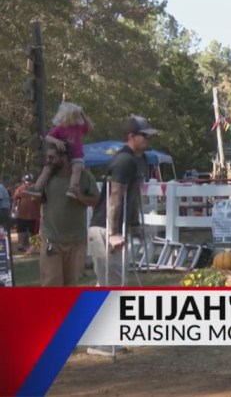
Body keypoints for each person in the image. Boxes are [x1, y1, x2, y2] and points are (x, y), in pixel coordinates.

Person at [87, 115, 156, 286]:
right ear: (131, 137)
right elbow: (115, 196)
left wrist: (134, 224)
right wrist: (112, 233)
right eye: (144, 135)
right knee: (113, 283)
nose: (149, 139)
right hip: (105, 228)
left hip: (115, 227)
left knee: (110, 281)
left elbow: (133, 195)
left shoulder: (140, 160)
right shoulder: (124, 160)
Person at [39, 143, 100, 286]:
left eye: (52, 157)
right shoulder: (47, 176)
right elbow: (39, 198)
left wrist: (80, 197)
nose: (48, 160)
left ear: (64, 157)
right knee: (51, 284)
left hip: (76, 241)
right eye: (47, 156)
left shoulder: (84, 176)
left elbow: (97, 201)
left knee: (71, 285)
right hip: (52, 240)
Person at [25, 102, 93, 199]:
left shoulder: (78, 128)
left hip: (76, 156)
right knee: (47, 169)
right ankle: (37, 188)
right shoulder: (60, 128)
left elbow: (89, 127)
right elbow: (47, 137)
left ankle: (73, 188)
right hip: (62, 157)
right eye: (75, 116)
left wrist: (83, 113)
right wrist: (56, 141)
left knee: (77, 168)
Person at [13, 174, 41, 254]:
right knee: (21, 230)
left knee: (35, 232)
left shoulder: (36, 188)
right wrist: (13, 209)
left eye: (30, 181)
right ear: (24, 181)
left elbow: (42, 199)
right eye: (26, 181)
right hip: (22, 214)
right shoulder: (20, 189)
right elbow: (15, 198)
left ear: (33, 181)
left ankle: (35, 246)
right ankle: (21, 245)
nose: (28, 183)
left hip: (35, 215)